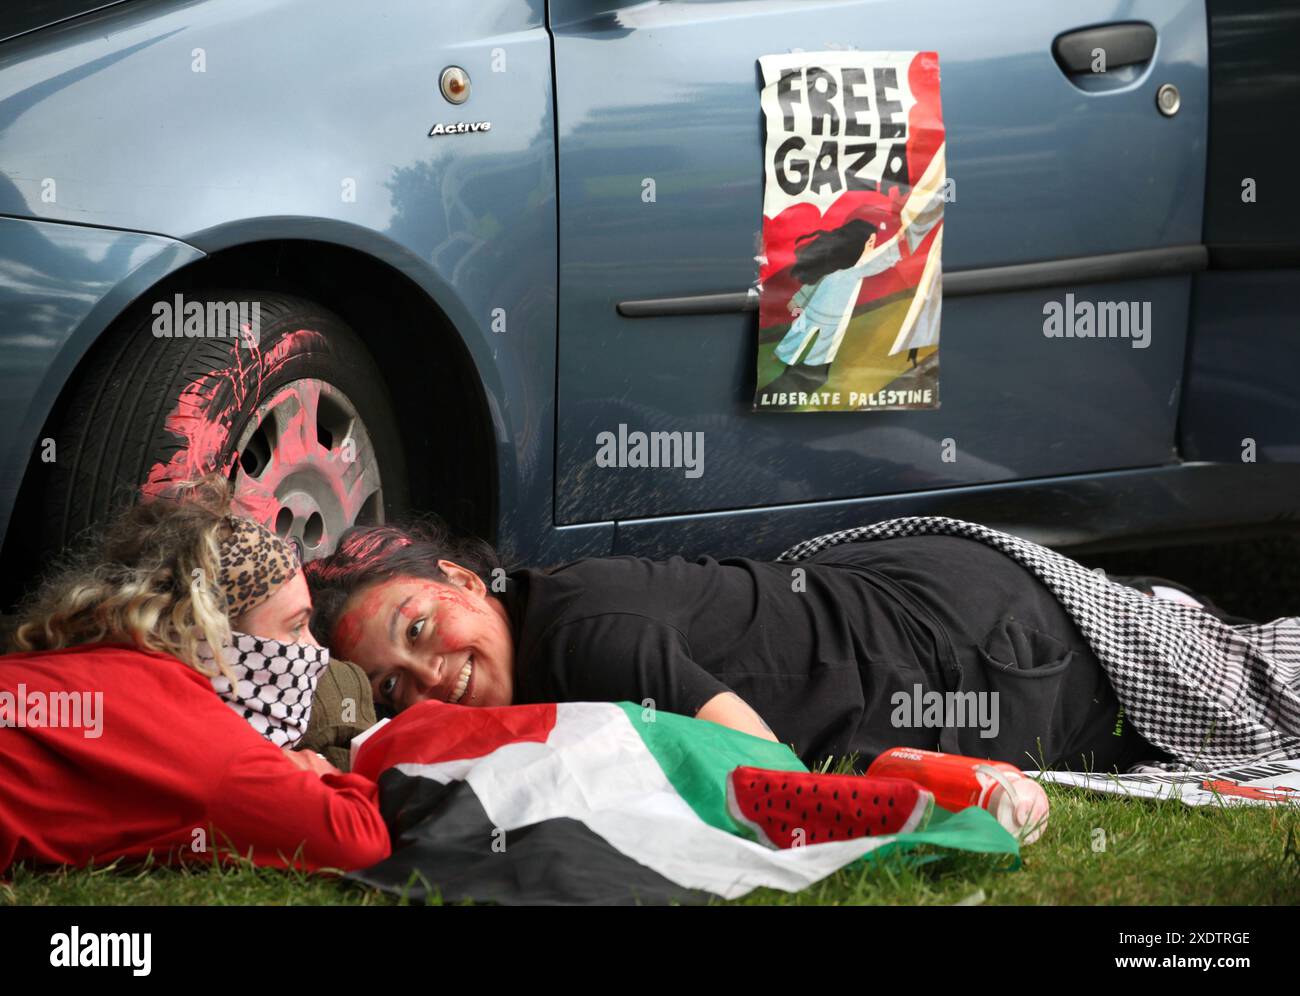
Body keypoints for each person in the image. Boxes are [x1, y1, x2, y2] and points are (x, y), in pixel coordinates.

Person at [304, 519, 1187, 773]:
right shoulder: (537, 612)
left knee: (1172, 701)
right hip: (923, 584)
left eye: (418, 630)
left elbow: (767, 783)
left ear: (462, 581)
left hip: (986, 648)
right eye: (391, 686)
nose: (428, 678)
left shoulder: (581, 645)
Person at [0, 477, 389, 874]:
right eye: (294, 627)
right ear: (208, 637)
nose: (316, 654)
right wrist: (320, 774)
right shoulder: (211, 754)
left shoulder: (100, 669)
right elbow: (358, 839)